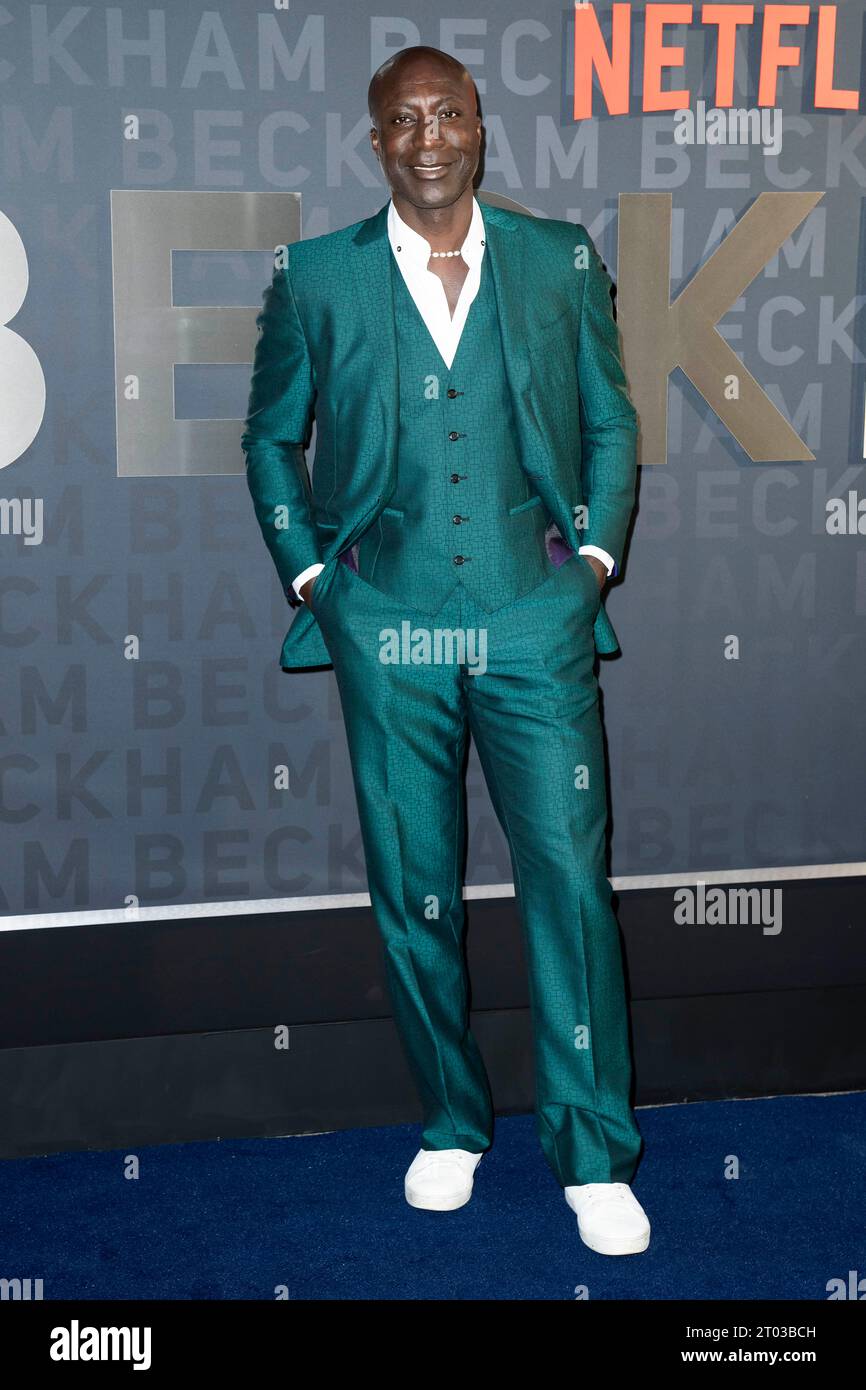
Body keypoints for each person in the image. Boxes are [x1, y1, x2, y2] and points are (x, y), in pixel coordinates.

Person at [241, 44, 650, 1255]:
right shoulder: (317, 277)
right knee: (413, 889)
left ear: (482, 128)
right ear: (375, 142)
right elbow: (269, 440)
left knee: (569, 887)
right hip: (388, 622)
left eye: (451, 114)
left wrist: (592, 566)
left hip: (535, 616)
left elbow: (610, 421)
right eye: (404, 119)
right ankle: (450, 1125)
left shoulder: (556, 258)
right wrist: (317, 581)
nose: (430, 137)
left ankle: (592, 1150)